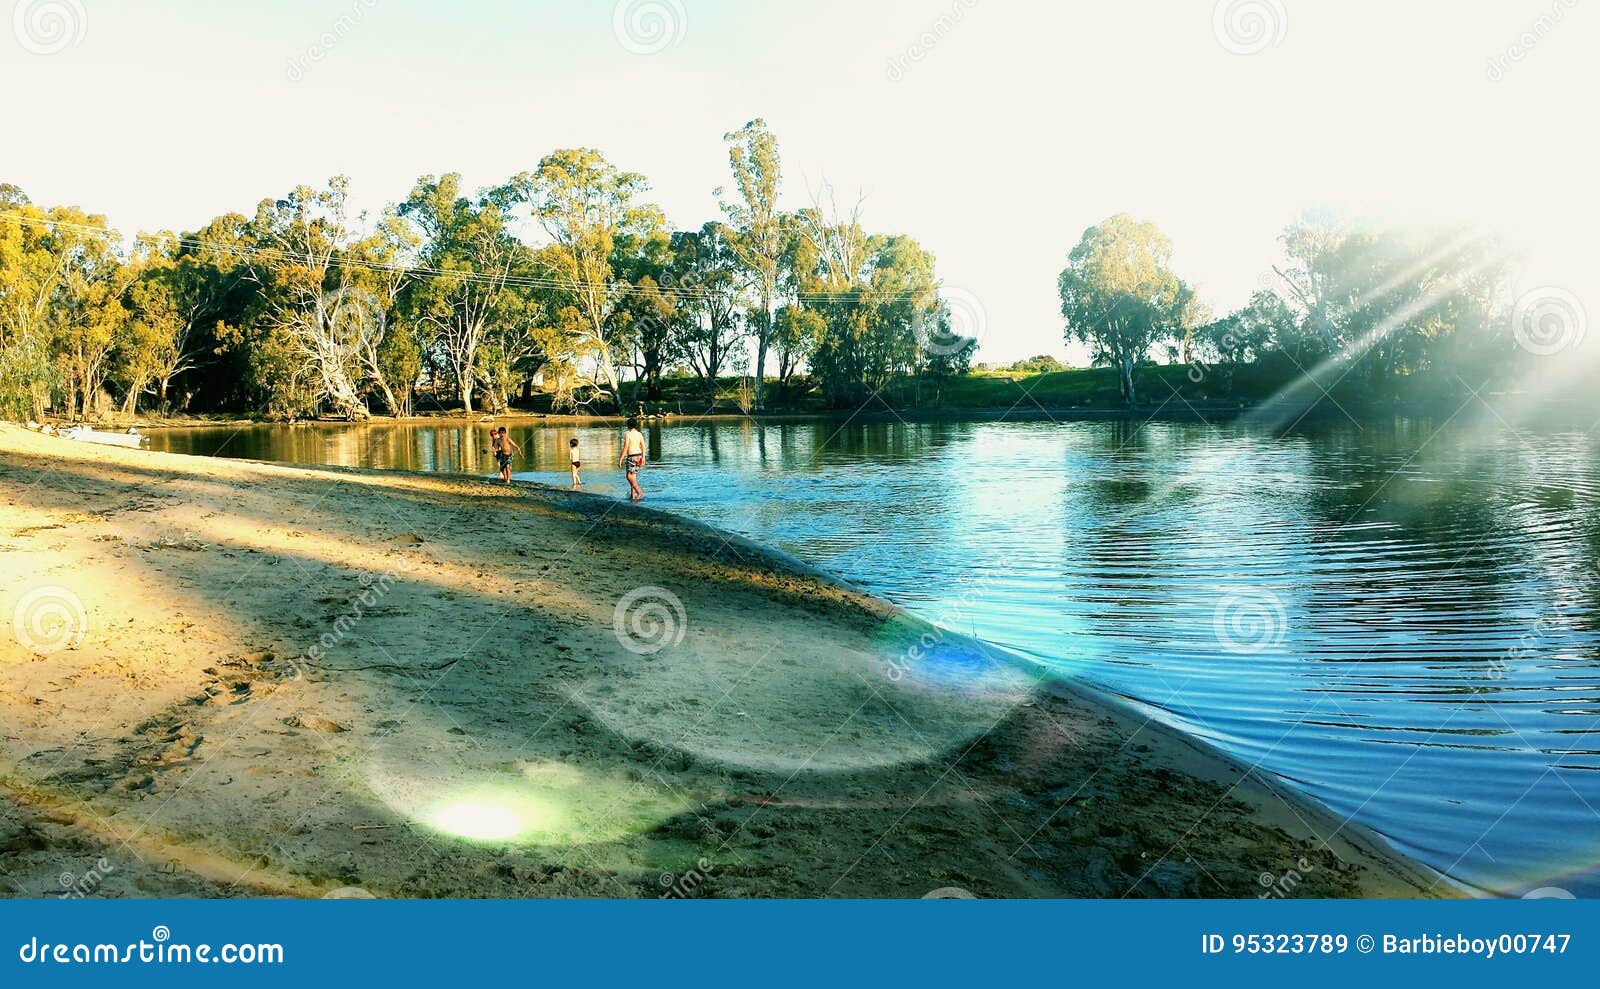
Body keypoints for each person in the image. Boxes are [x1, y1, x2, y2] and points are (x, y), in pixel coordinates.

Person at [619, 417, 646, 501]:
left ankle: (639, 492)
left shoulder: (628, 434)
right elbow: (643, 446)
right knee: (633, 477)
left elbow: (626, 447)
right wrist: (643, 457)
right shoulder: (639, 434)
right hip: (639, 456)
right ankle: (632, 496)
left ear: (628, 425)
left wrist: (620, 459)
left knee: (628, 476)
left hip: (632, 456)